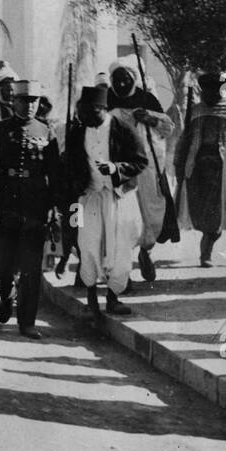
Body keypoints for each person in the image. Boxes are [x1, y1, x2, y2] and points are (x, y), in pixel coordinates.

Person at [0, 80, 64, 339]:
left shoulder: (47, 132)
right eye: (24, 100)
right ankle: (6, 293)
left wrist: (53, 208)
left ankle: (27, 321)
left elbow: (55, 175)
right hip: (4, 207)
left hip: (34, 209)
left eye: (34, 101)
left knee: (31, 268)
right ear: (13, 101)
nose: (29, 106)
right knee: (2, 264)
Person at [66, 85, 145, 320]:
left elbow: (141, 161)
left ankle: (113, 298)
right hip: (89, 196)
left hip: (117, 196)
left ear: (101, 108)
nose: (82, 116)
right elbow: (69, 165)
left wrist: (116, 168)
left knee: (118, 248)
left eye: (87, 111)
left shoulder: (123, 129)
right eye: (80, 111)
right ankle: (91, 298)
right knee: (88, 244)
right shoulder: (77, 132)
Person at [107, 58, 175, 283]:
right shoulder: (106, 100)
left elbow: (168, 128)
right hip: (119, 167)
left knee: (150, 212)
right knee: (122, 217)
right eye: (118, 80)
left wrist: (150, 119)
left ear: (134, 79)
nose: (122, 84)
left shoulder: (148, 100)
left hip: (146, 168)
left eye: (127, 79)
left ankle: (146, 250)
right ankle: (120, 270)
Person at [174, 73, 226, 267]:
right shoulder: (195, 110)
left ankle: (205, 252)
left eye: (214, 89)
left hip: (220, 167)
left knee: (217, 213)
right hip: (197, 166)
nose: (210, 93)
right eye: (206, 89)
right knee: (199, 210)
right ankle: (206, 242)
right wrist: (179, 164)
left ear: (220, 90)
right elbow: (185, 139)